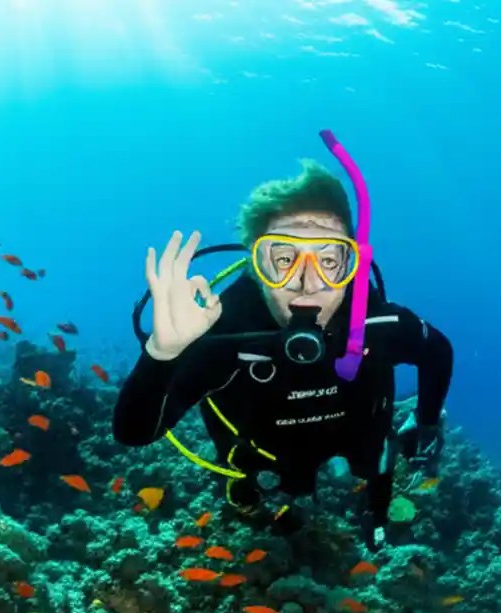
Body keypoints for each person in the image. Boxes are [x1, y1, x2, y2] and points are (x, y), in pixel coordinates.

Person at [112, 159, 453, 551]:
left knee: (373, 478)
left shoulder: (376, 322)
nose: (308, 284)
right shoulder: (226, 332)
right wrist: (163, 353)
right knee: (259, 514)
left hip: (361, 443)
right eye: (284, 259)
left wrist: (426, 423)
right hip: (261, 457)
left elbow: (438, 352)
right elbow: (134, 433)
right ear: (258, 267)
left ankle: (372, 519)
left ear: (351, 264)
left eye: (329, 261)